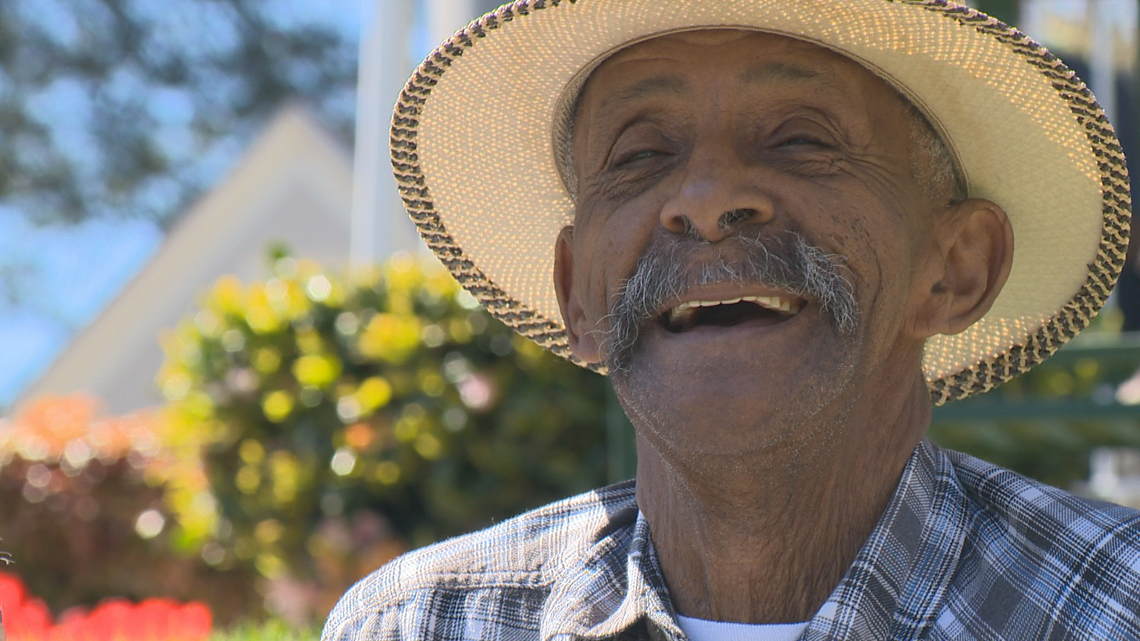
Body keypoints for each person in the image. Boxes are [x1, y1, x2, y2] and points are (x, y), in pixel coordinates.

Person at [324, 1, 1138, 639]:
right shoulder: (418, 624)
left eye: (800, 139)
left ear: (957, 267)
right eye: (640, 155)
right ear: (577, 295)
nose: (707, 200)